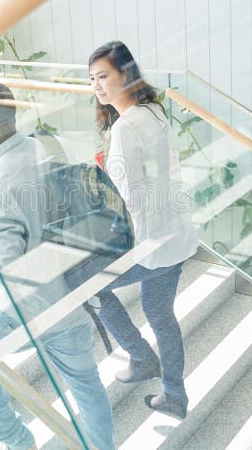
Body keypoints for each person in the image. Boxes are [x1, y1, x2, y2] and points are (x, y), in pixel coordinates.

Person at [0, 82, 115, 450]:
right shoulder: (45, 147)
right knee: (86, 386)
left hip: (34, 307)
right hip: (74, 293)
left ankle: (18, 443)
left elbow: (16, 277)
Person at [88, 41, 199, 420]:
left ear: (126, 74)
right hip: (177, 233)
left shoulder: (126, 129)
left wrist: (106, 177)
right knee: (158, 311)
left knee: (93, 287)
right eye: (92, 79)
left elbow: (132, 199)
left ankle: (140, 356)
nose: (97, 86)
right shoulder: (153, 111)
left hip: (151, 242)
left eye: (103, 76)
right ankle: (173, 393)